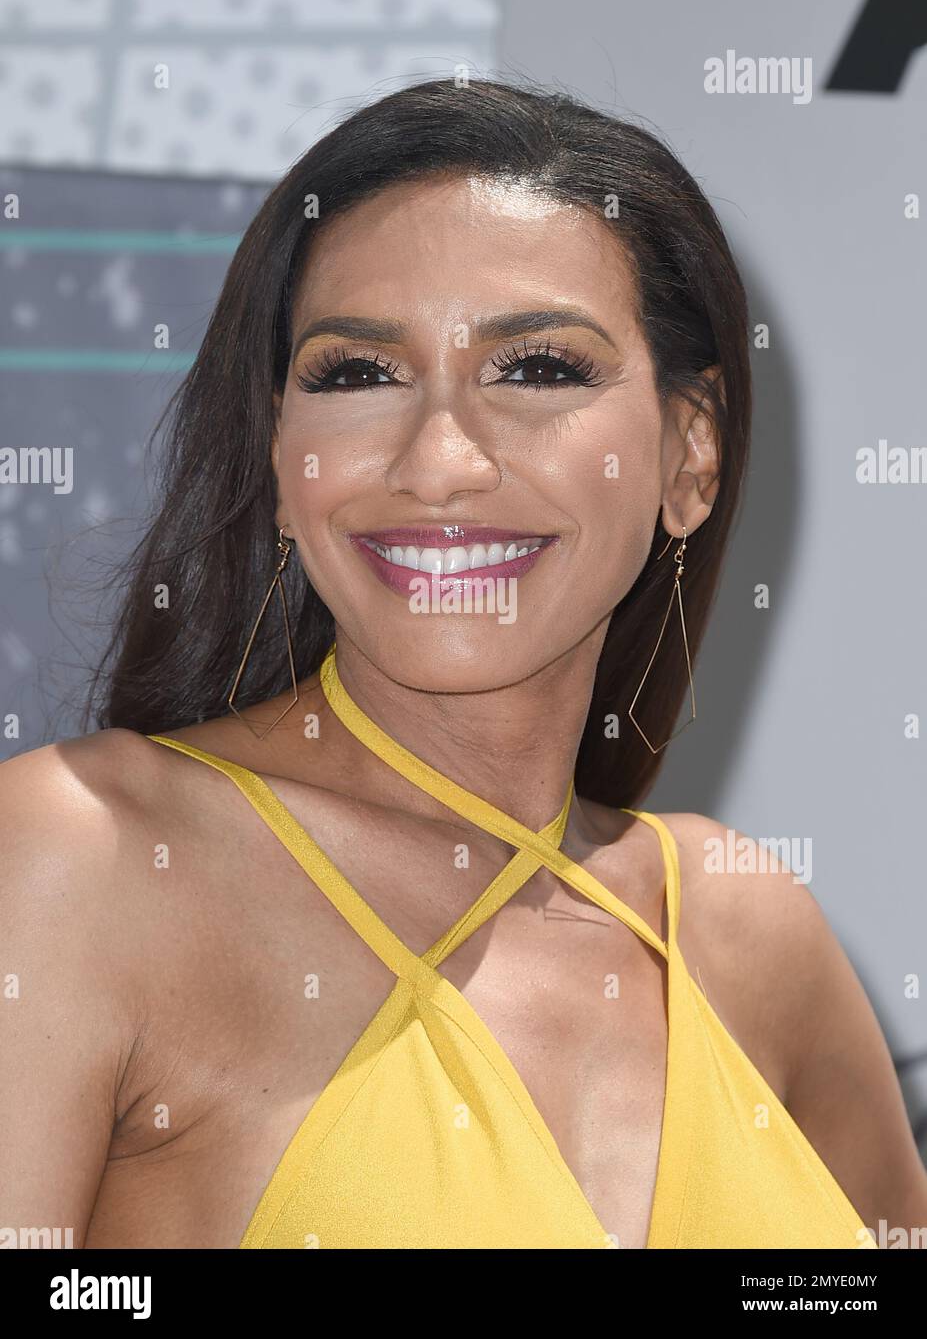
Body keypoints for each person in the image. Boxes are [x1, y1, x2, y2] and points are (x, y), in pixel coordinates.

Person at [3, 78, 925, 1250]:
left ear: (691, 455)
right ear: (285, 460)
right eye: (357, 373)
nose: (439, 461)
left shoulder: (747, 929)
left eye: (537, 367)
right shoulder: (75, 864)